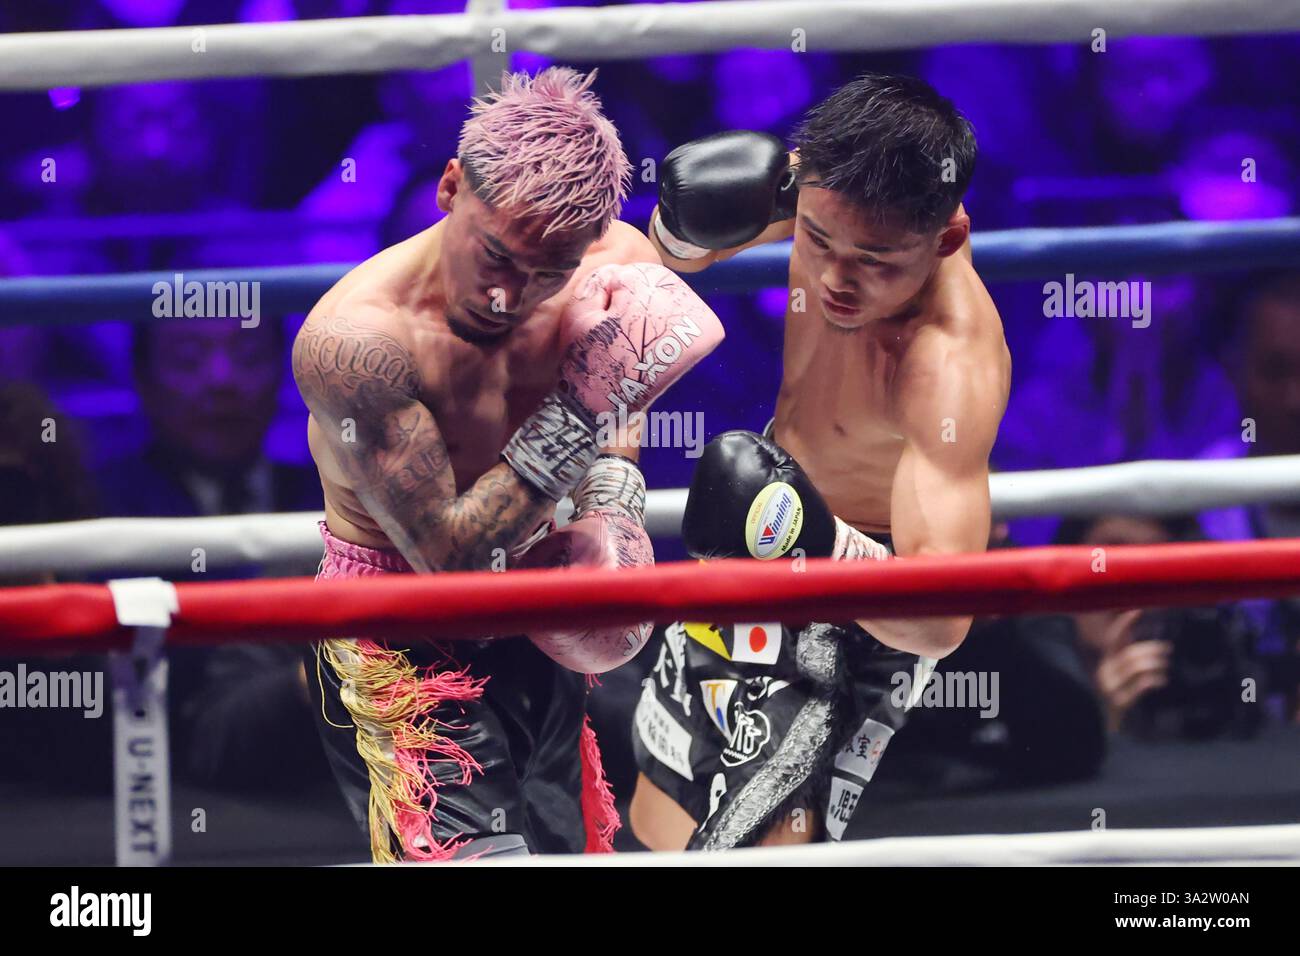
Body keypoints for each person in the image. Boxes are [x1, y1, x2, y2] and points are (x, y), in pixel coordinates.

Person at [293, 67, 725, 861]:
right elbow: (453, 564)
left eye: (548, 272)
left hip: (537, 611)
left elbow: (624, 384)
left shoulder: (613, 265)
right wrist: (585, 408)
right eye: (496, 255)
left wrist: (612, 498)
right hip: (405, 632)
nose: (509, 295)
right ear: (449, 187)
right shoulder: (359, 344)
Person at [633, 72, 1010, 849]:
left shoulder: (946, 365)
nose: (837, 278)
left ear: (945, 239)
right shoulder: (829, 191)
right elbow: (674, 255)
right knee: (662, 826)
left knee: (761, 851)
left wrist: (816, 544)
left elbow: (942, 621)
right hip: (756, 543)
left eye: (874, 261)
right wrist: (678, 227)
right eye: (817, 242)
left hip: (855, 607)